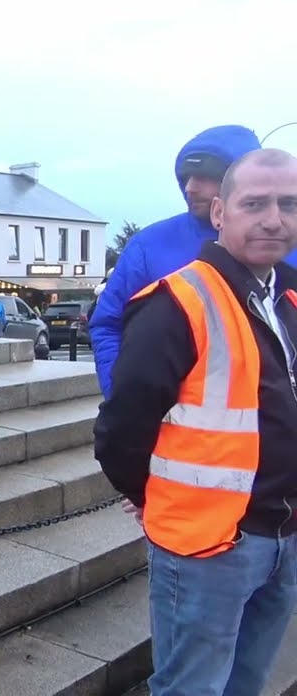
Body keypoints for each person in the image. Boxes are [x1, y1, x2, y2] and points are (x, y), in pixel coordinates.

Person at [94, 148, 297, 696]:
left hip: (283, 535)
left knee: (246, 682)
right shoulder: (177, 303)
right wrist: (153, 496)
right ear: (220, 214)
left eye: (289, 204)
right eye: (255, 203)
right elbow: (121, 428)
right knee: (191, 687)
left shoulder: (287, 302)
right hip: (209, 547)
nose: (274, 218)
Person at [89, 124, 297, 398]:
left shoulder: (284, 245)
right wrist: (121, 393)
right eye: (185, 177)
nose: (191, 187)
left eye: (205, 177)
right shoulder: (149, 245)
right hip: (177, 431)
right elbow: (108, 324)